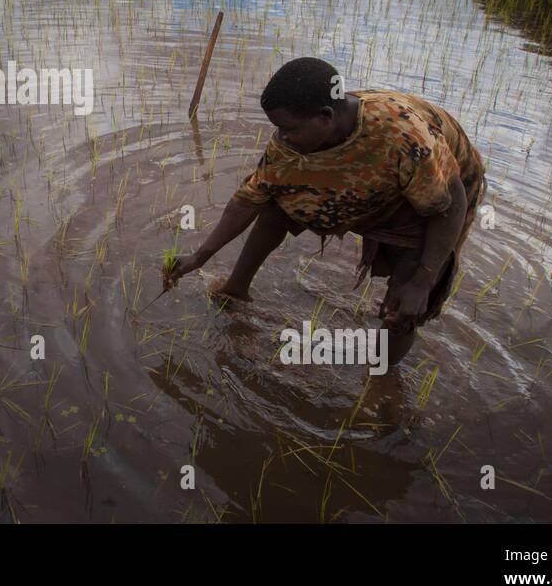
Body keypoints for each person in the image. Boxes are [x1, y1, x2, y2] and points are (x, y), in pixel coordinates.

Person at [163, 57, 485, 365]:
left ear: (326, 116)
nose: (282, 137)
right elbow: (250, 199)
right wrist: (200, 256)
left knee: (406, 294)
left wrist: (423, 282)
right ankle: (235, 289)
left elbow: (449, 205)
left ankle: (382, 378)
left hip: (440, 185)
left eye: (289, 128)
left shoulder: (403, 137)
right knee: (279, 201)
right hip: (379, 167)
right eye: (278, 128)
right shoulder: (289, 142)